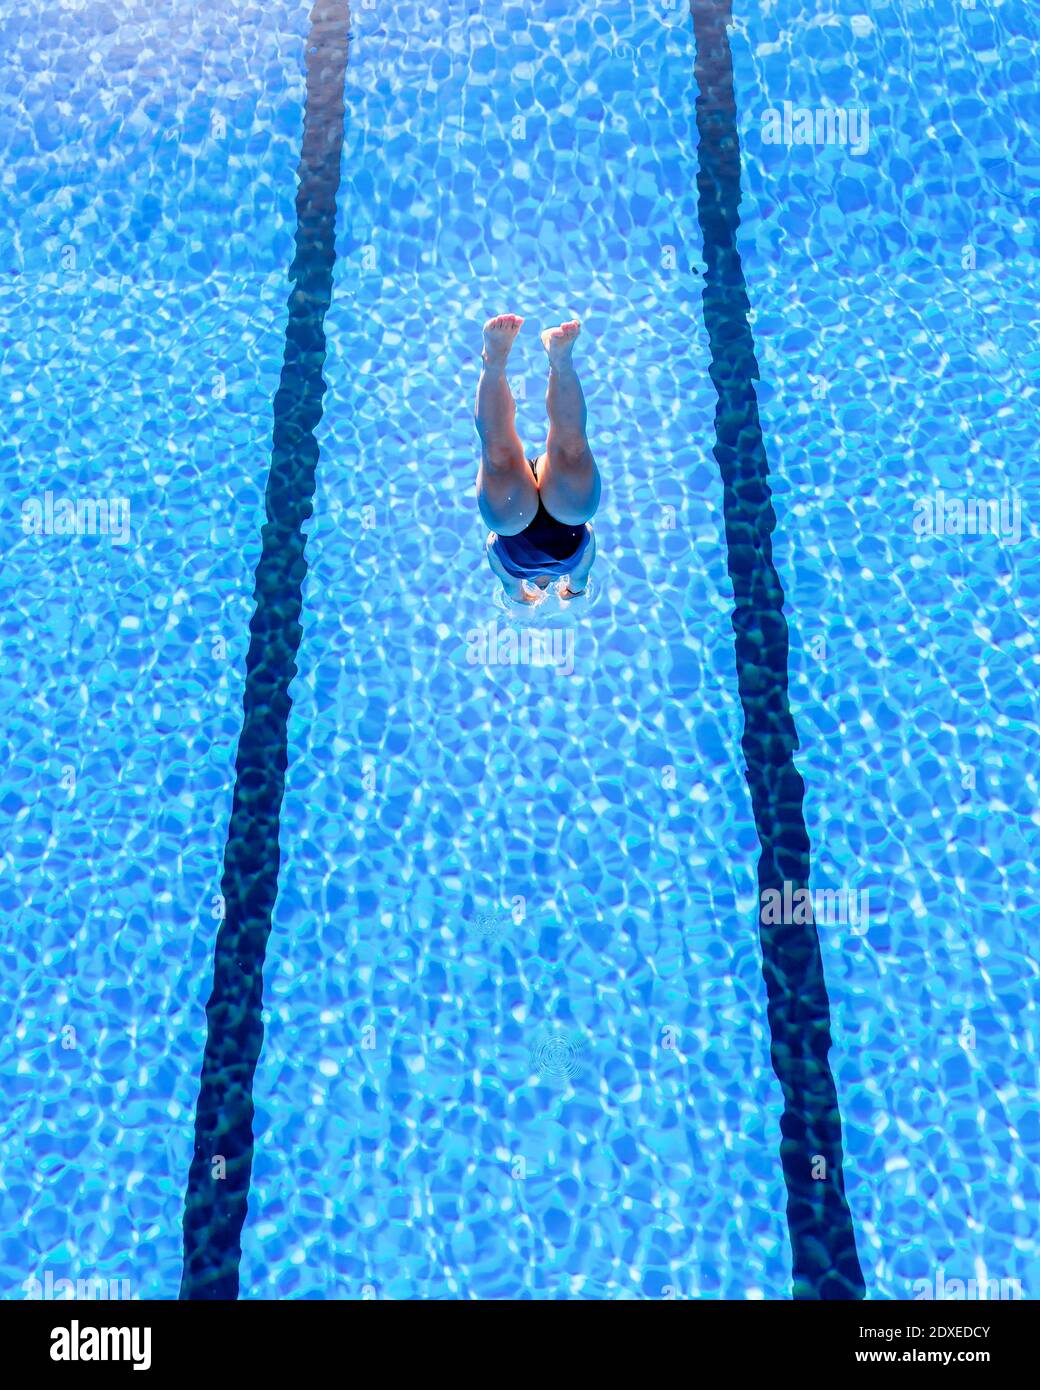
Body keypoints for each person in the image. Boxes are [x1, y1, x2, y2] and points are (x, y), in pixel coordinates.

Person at [475, 315, 601, 604]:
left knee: (498, 455)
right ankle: (561, 360)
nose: (543, 586)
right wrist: (572, 592)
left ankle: (493, 361)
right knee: (573, 450)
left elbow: (513, 592)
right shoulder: (571, 568)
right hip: (568, 518)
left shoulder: (512, 572)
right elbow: (580, 582)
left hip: (511, 522)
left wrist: (525, 599)